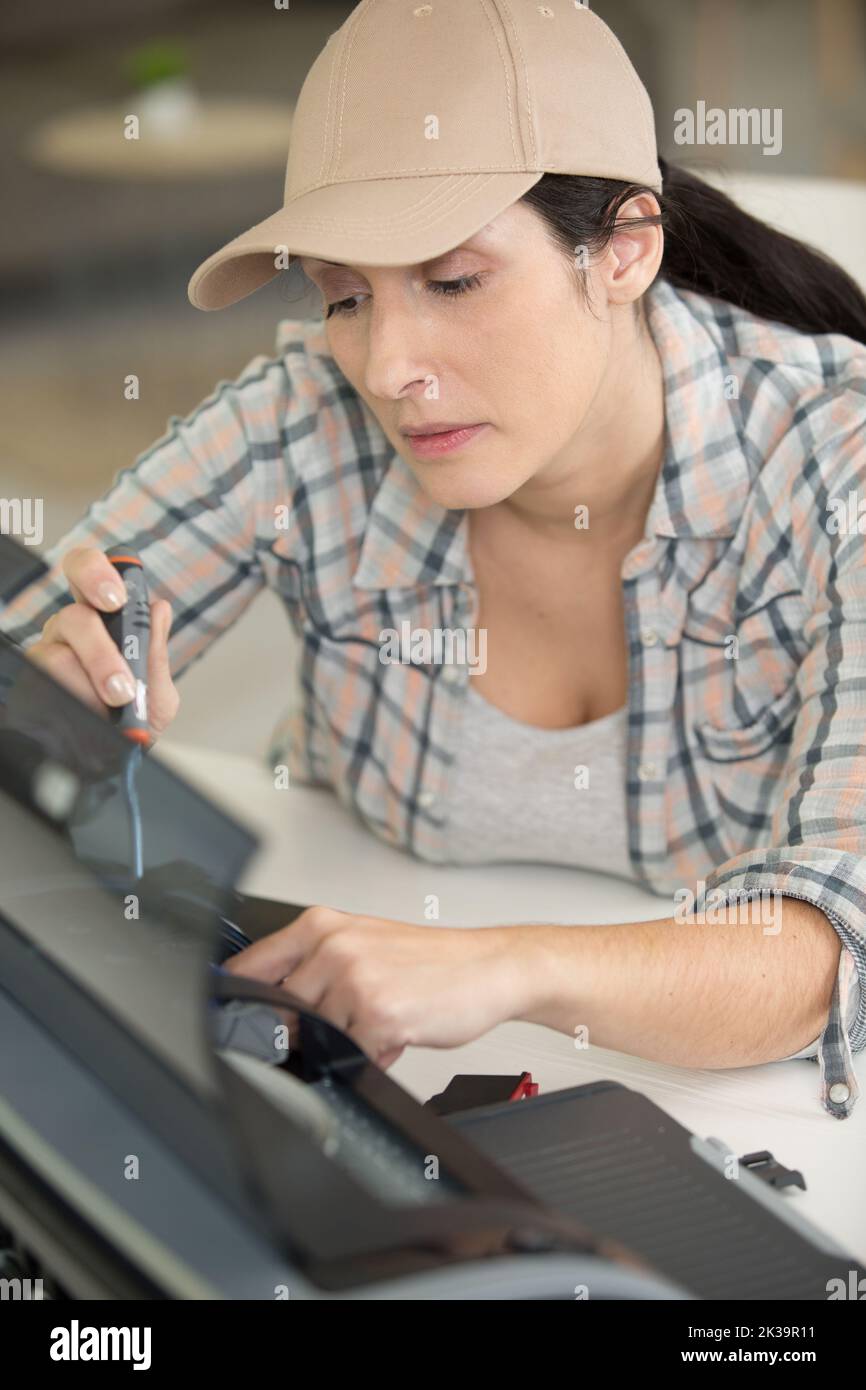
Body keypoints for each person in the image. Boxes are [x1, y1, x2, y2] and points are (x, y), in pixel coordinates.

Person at [2, 1, 865, 1117]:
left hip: (764, 1121)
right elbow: (42, 666)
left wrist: (498, 966)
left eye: (452, 282)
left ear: (623, 251)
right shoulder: (302, 419)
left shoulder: (834, 464)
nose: (388, 365)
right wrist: (51, 712)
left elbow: (830, 950)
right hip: (382, 1079)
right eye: (346, 297)